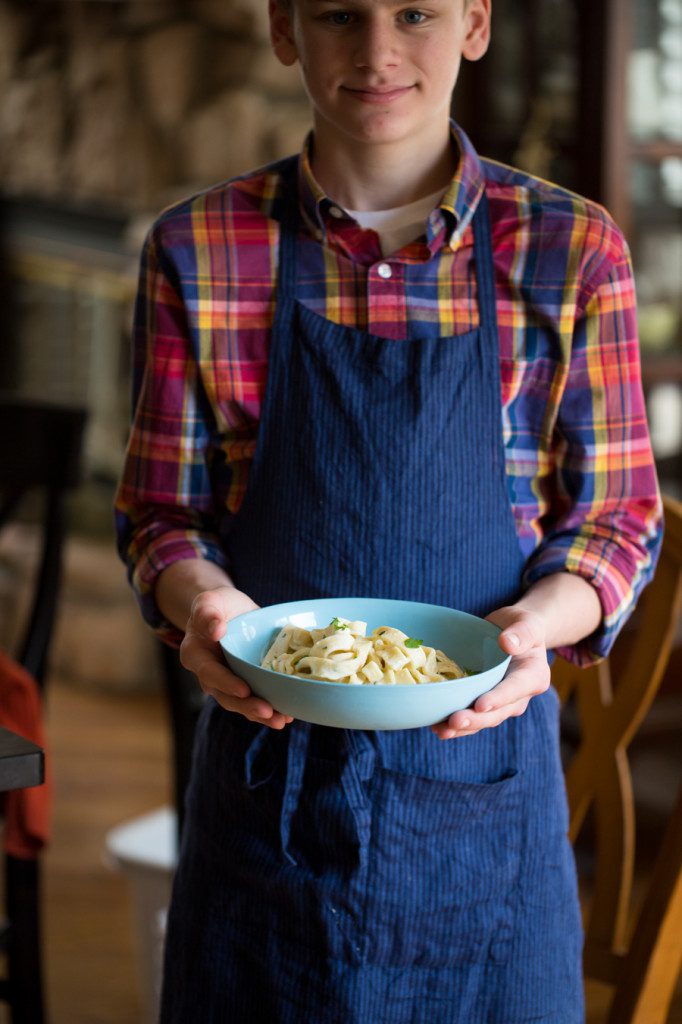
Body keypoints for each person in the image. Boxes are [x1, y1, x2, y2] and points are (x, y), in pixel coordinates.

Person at [115, 0, 663, 1019]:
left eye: (414, 11)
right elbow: (162, 512)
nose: (376, 50)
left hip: (482, 801)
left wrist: (537, 628)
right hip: (264, 792)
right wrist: (202, 605)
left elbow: (616, 519)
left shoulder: (570, 250)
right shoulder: (199, 247)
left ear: (474, 23)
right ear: (284, 28)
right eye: (337, 13)